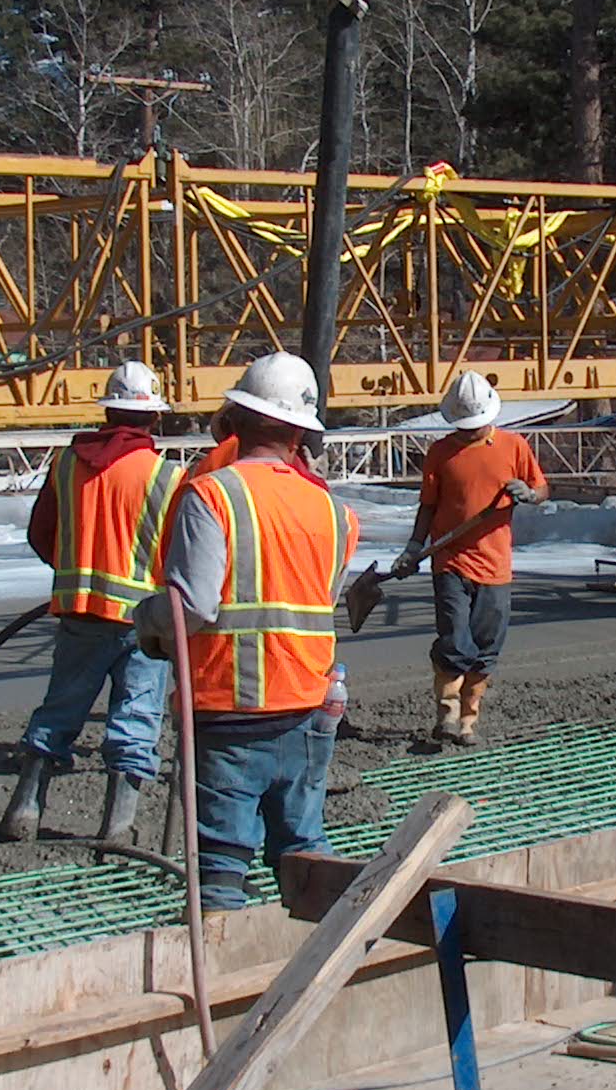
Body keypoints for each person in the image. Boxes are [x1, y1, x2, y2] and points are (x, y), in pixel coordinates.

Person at [136, 352, 359, 911]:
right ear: (300, 436)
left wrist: (146, 619)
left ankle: (225, 983)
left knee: (220, 867)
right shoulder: (335, 513)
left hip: (231, 711)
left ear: (236, 421)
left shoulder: (212, 495)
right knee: (305, 852)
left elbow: (191, 607)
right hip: (310, 709)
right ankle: (325, 965)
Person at [0, 362, 183, 845]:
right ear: (154, 418)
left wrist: (75, 572)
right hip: (144, 623)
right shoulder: (165, 477)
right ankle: (118, 828)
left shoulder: (65, 464)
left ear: (108, 411)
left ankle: (23, 813)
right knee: (136, 720)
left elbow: (42, 534)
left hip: (79, 613)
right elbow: (177, 556)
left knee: (59, 710)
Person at [392, 372, 549, 745]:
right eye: (463, 427)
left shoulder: (514, 446)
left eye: (475, 426)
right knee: (455, 641)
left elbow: (542, 489)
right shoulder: (441, 452)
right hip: (450, 562)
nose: (470, 433)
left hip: (495, 567)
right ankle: (446, 715)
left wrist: (529, 493)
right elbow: (428, 507)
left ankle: (468, 723)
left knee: (485, 646)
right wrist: (414, 547)